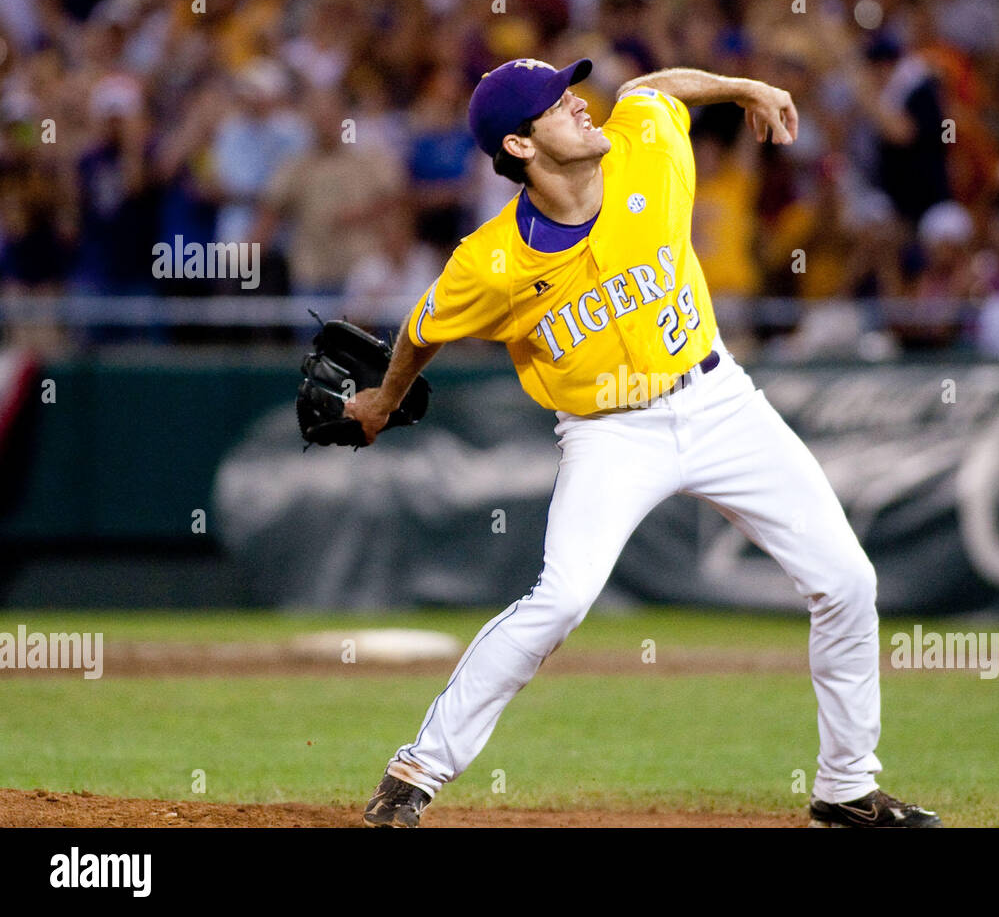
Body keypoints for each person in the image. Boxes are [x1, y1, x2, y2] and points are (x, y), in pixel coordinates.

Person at [345, 57, 942, 829]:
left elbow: (649, 91)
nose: (582, 106)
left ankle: (847, 787)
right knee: (560, 598)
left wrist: (743, 88)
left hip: (719, 400)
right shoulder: (488, 264)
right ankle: (415, 772)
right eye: (558, 104)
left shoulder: (646, 146)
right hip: (608, 434)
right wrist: (384, 400)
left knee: (848, 582)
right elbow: (421, 332)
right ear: (521, 147)